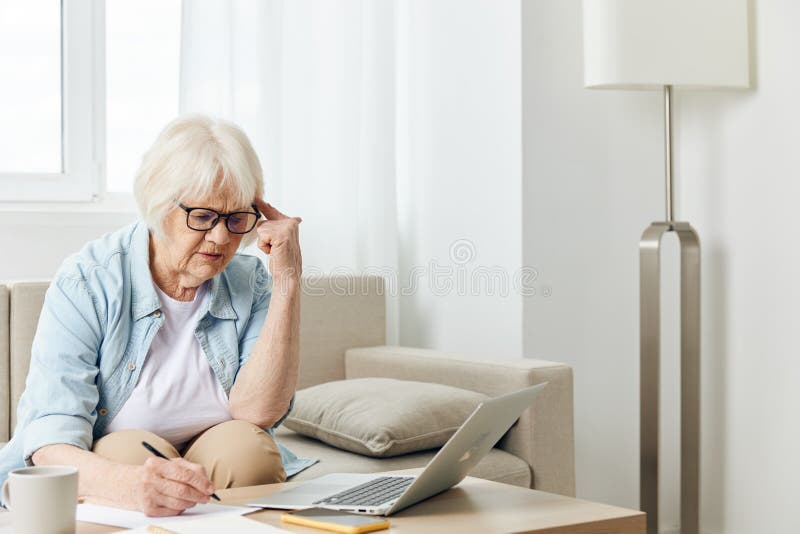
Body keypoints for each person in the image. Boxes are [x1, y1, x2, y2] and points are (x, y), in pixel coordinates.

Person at [0, 115, 307, 516]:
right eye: (202, 216)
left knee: (250, 453)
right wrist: (128, 486)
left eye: (236, 218)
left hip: (221, 457)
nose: (221, 237)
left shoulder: (251, 282)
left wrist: (287, 280)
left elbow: (257, 413)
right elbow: (50, 437)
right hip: (123, 450)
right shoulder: (87, 281)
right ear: (160, 206)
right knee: (127, 456)